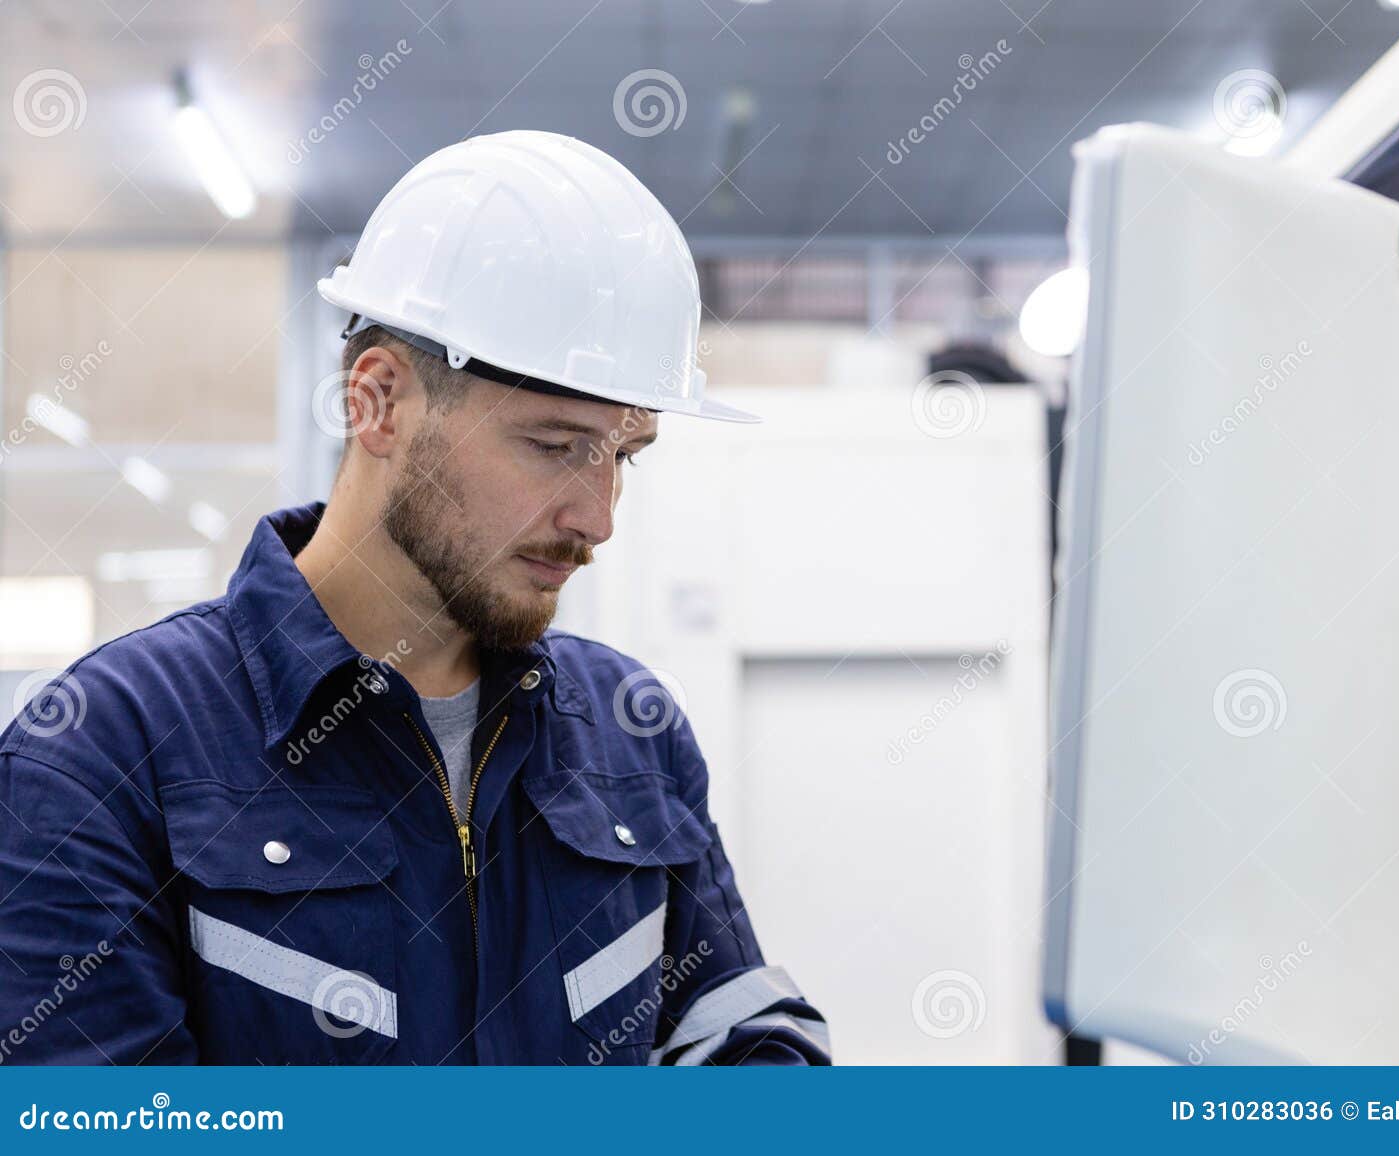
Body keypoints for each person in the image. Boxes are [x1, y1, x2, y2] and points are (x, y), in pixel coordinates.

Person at [0, 131, 829, 1066]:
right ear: (380, 402)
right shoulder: (107, 750)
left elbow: (737, 1027)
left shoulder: (629, 733)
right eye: (555, 446)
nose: (597, 518)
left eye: (623, 457)